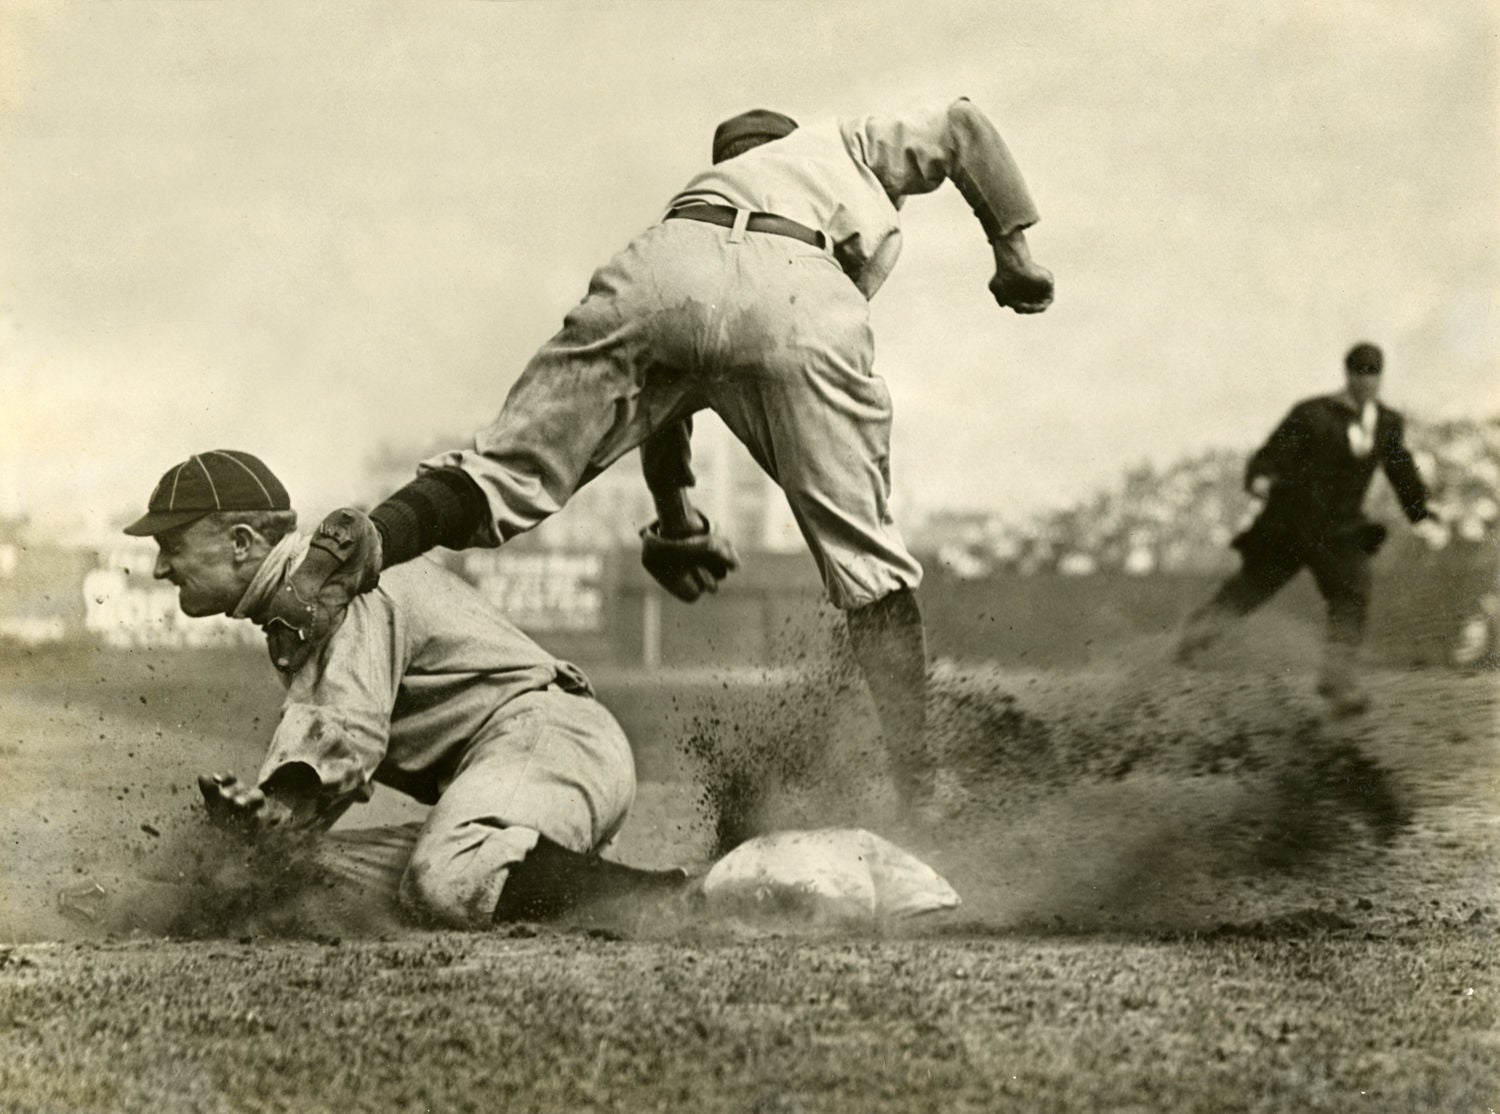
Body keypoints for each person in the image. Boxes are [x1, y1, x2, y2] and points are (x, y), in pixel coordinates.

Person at [263, 98, 1056, 820]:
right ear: (784, 145)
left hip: (659, 274)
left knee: (502, 471)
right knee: (869, 566)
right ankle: (922, 792)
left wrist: (678, 523)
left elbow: (662, 411)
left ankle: (373, 535)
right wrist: (1012, 249)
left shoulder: (700, 203)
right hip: (799, 283)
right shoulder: (836, 143)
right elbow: (962, 127)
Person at [124, 449, 690, 929]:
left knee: (446, 878)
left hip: (548, 740)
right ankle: (545, 870)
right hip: (512, 779)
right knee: (293, 880)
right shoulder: (302, 600)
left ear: (242, 541)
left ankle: (681, 901)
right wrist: (237, 849)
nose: (160, 568)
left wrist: (273, 812)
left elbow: (344, 739)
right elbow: (321, 778)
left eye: (172, 545)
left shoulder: (335, 586)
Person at [1176, 343, 1442, 714]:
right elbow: (1270, 454)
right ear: (1347, 375)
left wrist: (1421, 513)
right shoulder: (1313, 414)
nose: (1366, 382)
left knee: (1352, 591)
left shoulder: (1386, 422)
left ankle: (1337, 680)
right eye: (1360, 374)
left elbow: (1401, 469)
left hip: (1341, 531)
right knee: (1251, 589)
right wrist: (1262, 478)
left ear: (1380, 378)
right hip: (1292, 523)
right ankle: (1187, 646)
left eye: (1373, 374)